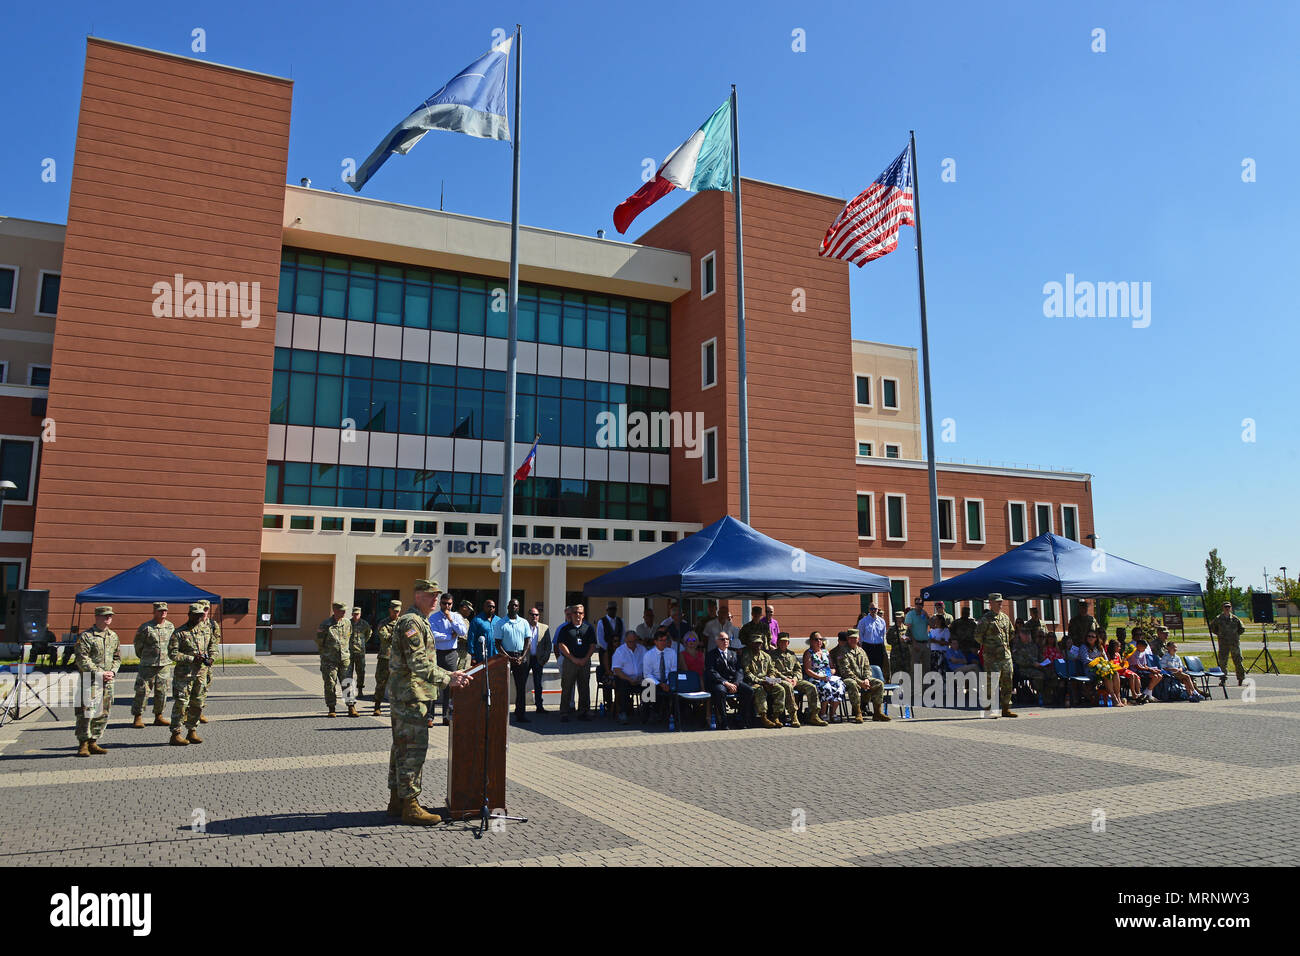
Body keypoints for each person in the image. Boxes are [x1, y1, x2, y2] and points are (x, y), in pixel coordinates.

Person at [386, 579, 474, 825]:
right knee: (412, 751)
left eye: (437, 595)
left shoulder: (419, 621)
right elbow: (417, 663)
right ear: (417, 596)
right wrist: (448, 677)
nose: (435, 599)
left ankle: (397, 801)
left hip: (413, 695)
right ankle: (410, 806)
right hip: (411, 697)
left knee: (402, 749)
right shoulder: (411, 623)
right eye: (430, 595)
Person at [74, 606, 120, 757]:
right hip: (91, 680)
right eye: (105, 616)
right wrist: (100, 673)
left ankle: (94, 740)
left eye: (110, 616)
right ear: (97, 617)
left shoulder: (113, 636)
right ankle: (83, 743)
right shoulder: (86, 636)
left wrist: (112, 672)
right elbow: (82, 659)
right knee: (86, 712)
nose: (108, 618)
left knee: (103, 712)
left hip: (107, 681)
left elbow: (117, 657)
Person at [167, 603, 216, 745]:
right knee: (181, 703)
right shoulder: (179, 633)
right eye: (196, 615)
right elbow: (172, 654)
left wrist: (211, 657)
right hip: (184, 675)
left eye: (201, 615)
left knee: (198, 703)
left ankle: (192, 731)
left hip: (201, 673)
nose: (199, 618)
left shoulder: (206, 630)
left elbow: (213, 645)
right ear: (189, 615)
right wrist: (192, 658)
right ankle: (175, 734)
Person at [131, 601, 173, 729]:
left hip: (164, 665)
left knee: (162, 692)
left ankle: (158, 716)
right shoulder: (146, 627)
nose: (163, 612)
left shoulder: (170, 626)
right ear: (154, 611)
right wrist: (145, 657)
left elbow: (172, 644)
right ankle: (138, 717)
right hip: (148, 665)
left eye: (165, 610)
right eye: (160, 610)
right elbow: (138, 646)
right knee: (142, 691)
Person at [975, 593, 1016, 717]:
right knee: (992, 682)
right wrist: (990, 646)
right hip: (991, 657)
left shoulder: (1005, 617)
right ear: (991, 603)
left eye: (1001, 601)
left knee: (1007, 680)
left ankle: (1006, 708)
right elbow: (977, 636)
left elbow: (1011, 633)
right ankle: (988, 708)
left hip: (1005, 656)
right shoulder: (986, 619)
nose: (1000, 604)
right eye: (997, 602)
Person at [427, 591, 465, 723]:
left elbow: (462, 632)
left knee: (450, 685)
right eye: (444, 603)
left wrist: (451, 620)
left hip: (451, 654)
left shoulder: (456, 616)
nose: (446, 606)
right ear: (440, 604)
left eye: (449, 604)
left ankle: (446, 715)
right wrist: (449, 636)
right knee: (433, 684)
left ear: (452, 604)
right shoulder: (433, 617)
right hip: (437, 654)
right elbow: (433, 635)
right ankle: (430, 717)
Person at [773, 632, 826, 726]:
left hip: (793, 680)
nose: (783, 644)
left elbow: (798, 669)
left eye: (785, 642)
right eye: (781, 642)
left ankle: (814, 715)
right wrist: (785, 678)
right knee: (788, 686)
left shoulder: (791, 654)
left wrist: (795, 678)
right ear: (777, 642)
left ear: (788, 643)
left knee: (811, 687)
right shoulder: (773, 655)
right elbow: (773, 670)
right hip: (779, 680)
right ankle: (793, 715)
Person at [837, 630, 889, 723]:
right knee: (852, 683)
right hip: (847, 680)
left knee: (879, 683)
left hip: (863, 679)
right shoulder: (842, 652)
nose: (853, 640)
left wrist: (866, 679)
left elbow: (867, 667)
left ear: (858, 639)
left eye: (855, 638)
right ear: (848, 639)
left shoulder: (861, 651)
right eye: (851, 638)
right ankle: (858, 712)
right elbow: (846, 671)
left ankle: (877, 712)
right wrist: (860, 682)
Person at [556, 603, 596, 722]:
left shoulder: (588, 629)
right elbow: (561, 645)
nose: (577, 615)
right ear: (571, 614)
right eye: (575, 613)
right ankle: (564, 712)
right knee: (567, 687)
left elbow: (592, 645)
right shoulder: (565, 629)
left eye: (580, 613)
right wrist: (572, 658)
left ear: (583, 615)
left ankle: (584, 711)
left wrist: (585, 659)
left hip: (584, 662)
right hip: (570, 662)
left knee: (584, 687)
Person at [494, 598, 532, 722]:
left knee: (521, 687)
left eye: (515, 605)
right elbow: (498, 644)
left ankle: (520, 714)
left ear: (518, 607)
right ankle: (501, 714)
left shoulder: (524, 622)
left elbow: (528, 640)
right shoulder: (501, 623)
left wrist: (522, 656)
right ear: (507, 607)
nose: (513, 608)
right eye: (511, 605)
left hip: (521, 657)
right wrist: (508, 657)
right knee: (503, 687)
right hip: (506, 657)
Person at [315, 600, 355, 718]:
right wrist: (325, 656)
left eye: (345, 611)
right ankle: (332, 708)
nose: (344, 613)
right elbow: (319, 642)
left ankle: (351, 707)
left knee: (347, 683)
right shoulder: (326, 624)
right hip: (330, 660)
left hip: (344, 659)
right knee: (330, 684)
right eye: (341, 611)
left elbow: (349, 637)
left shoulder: (347, 623)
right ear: (335, 610)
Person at [705, 632, 752, 729]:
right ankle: (724, 720)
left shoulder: (733, 654)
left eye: (727, 639)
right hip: (720, 682)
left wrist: (736, 683)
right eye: (722, 639)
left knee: (749, 691)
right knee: (720, 691)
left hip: (734, 682)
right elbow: (711, 671)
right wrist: (725, 683)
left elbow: (739, 670)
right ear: (716, 641)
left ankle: (741, 718)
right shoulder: (711, 654)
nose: (725, 641)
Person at [740, 632, 785, 728]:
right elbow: (747, 674)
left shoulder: (766, 656)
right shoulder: (747, 656)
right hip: (754, 683)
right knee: (760, 690)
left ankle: (775, 716)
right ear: (751, 644)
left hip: (767, 681)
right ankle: (763, 717)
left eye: (759, 643)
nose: (758, 645)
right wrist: (761, 681)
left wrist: (772, 679)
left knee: (780, 689)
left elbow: (771, 670)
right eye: (755, 643)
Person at [803, 632, 846, 721]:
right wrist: (820, 677)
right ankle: (822, 713)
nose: (819, 641)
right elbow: (808, 670)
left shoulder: (826, 652)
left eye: (820, 639)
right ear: (811, 641)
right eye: (816, 639)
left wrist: (832, 672)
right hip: (815, 677)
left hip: (827, 676)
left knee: (840, 685)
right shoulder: (808, 653)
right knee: (826, 687)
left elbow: (832, 667)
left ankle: (833, 712)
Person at [641, 627, 678, 723]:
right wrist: (660, 684)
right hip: (654, 680)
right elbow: (647, 674)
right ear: (655, 642)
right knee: (649, 687)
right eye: (661, 640)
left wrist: (669, 683)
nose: (663, 642)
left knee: (676, 688)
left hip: (668, 679)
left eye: (665, 640)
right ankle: (650, 714)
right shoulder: (648, 655)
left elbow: (673, 670)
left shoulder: (672, 653)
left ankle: (674, 714)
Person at [372, 599, 402, 714]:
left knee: (397, 684)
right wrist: (399, 635)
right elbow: (385, 637)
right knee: (381, 682)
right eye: (394, 611)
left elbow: (410, 635)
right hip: (385, 657)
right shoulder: (383, 623)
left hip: (399, 659)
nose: (396, 613)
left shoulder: (403, 623)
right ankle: (377, 706)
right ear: (390, 610)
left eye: (398, 611)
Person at [595, 601, 626, 712]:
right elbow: (600, 639)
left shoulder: (620, 621)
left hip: (619, 651)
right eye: (610, 609)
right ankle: (608, 702)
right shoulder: (601, 622)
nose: (612, 611)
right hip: (605, 652)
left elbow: (623, 636)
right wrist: (609, 648)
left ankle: (621, 702)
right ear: (607, 610)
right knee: (606, 673)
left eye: (614, 609)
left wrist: (619, 649)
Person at [610, 629, 646, 724]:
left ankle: (649, 711)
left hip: (640, 678)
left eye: (634, 641)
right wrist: (629, 679)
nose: (632, 643)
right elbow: (617, 670)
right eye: (630, 641)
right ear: (625, 641)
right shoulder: (620, 651)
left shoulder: (642, 649)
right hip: (624, 678)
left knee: (651, 684)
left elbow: (648, 665)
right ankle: (623, 713)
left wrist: (642, 677)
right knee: (623, 685)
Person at [1209, 600, 1246, 686]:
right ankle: (1223, 679)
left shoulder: (1235, 619)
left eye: (1228, 607)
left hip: (1234, 644)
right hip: (1223, 644)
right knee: (1222, 662)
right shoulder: (1218, 619)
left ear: (1231, 608)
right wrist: (1220, 634)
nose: (1227, 609)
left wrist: (1235, 636)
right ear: (1223, 608)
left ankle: (1240, 678)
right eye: (1225, 607)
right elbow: (1213, 628)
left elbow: (1242, 629)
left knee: (1238, 661)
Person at [522, 605, 551, 713]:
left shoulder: (545, 627)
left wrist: (545, 659)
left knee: (538, 684)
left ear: (539, 616)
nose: (534, 616)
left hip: (538, 660)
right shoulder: (523, 627)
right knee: (522, 683)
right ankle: (521, 707)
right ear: (528, 616)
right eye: (532, 614)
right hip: (526, 660)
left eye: (536, 615)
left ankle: (539, 706)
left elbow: (548, 645)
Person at [197, 599, 221, 724]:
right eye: (201, 609)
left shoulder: (212, 625)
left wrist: (212, 658)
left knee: (205, 687)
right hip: (193, 663)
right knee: (190, 689)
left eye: (206, 609)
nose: (204, 612)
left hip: (207, 664)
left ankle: (199, 712)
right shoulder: (193, 623)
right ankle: (187, 713)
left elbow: (215, 644)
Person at [1010, 626, 1048, 700]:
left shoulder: (1033, 645)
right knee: (1040, 676)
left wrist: (1044, 662)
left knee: (1051, 673)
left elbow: (1039, 656)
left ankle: (1050, 695)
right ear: (1021, 635)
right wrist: (1032, 664)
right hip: (1024, 669)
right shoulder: (1017, 647)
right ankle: (1040, 696)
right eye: (1025, 634)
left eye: (1028, 634)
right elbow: (1019, 661)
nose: (1027, 636)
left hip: (1037, 667)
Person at [469, 598, 503, 665]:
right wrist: (472, 656)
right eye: (489, 606)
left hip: (496, 654)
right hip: (481, 654)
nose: (491, 608)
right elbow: (471, 638)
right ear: (484, 607)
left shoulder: (499, 620)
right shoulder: (477, 620)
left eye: (493, 607)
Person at [349, 606, 372, 699]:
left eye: (357, 614)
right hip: (349, 652)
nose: (355, 616)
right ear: (352, 614)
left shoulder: (364, 624)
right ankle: (349, 691)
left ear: (360, 614)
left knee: (361, 672)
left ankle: (360, 690)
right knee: (348, 672)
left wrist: (362, 642)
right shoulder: (348, 623)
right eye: (354, 614)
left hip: (360, 652)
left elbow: (369, 633)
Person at [904, 597, 931, 677]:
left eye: (921, 604)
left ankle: (926, 688)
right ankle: (914, 688)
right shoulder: (910, 614)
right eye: (917, 604)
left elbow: (932, 625)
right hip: (915, 643)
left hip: (925, 644)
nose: (919, 606)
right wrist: (914, 643)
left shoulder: (924, 614)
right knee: (915, 668)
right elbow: (908, 630)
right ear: (915, 604)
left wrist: (927, 616)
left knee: (927, 668)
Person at [858, 604, 888, 671]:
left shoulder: (882, 621)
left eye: (875, 609)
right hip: (867, 646)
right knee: (867, 667)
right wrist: (861, 645)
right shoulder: (863, 621)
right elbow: (860, 634)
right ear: (869, 610)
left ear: (877, 610)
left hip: (879, 647)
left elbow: (883, 635)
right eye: (871, 609)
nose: (873, 610)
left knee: (879, 667)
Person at [885, 610, 908, 681]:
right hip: (895, 655)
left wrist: (906, 640)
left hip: (905, 655)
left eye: (900, 618)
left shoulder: (906, 629)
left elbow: (910, 640)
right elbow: (888, 641)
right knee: (895, 674)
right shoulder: (891, 629)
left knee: (906, 673)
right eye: (897, 618)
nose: (898, 620)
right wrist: (897, 641)